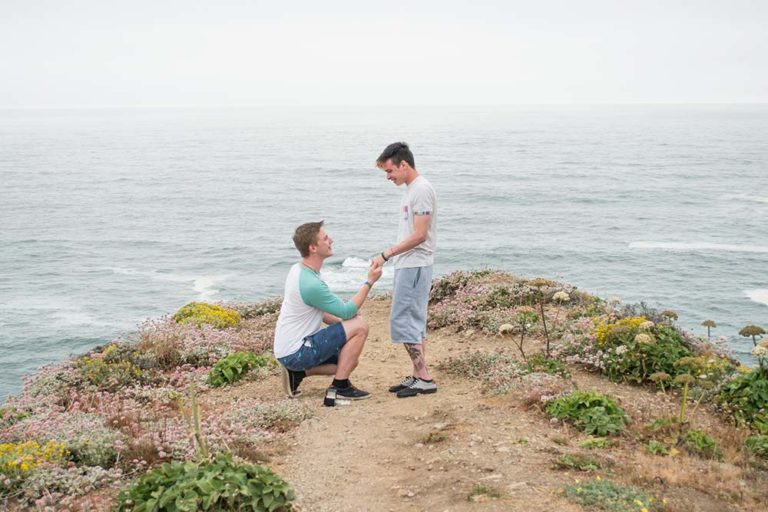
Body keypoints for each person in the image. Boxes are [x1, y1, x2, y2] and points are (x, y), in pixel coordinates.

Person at [274, 221, 382, 400]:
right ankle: (340, 387)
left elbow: (321, 312)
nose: (331, 240)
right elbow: (347, 311)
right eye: (325, 238)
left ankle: (296, 374)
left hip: (288, 351)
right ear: (313, 248)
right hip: (297, 351)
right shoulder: (311, 283)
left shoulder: (299, 270)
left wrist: (345, 327)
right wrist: (370, 281)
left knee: (349, 361)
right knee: (360, 325)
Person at [371, 142, 438, 398]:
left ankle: (425, 378)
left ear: (404, 164)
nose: (388, 177)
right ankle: (419, 375)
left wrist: (386, 254)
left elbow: (420, 235)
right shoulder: (413, 189)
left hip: (415, 263)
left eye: (390, 171)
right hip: (411, 264)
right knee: (414, 321)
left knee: (404, 320)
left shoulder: (421, 190)